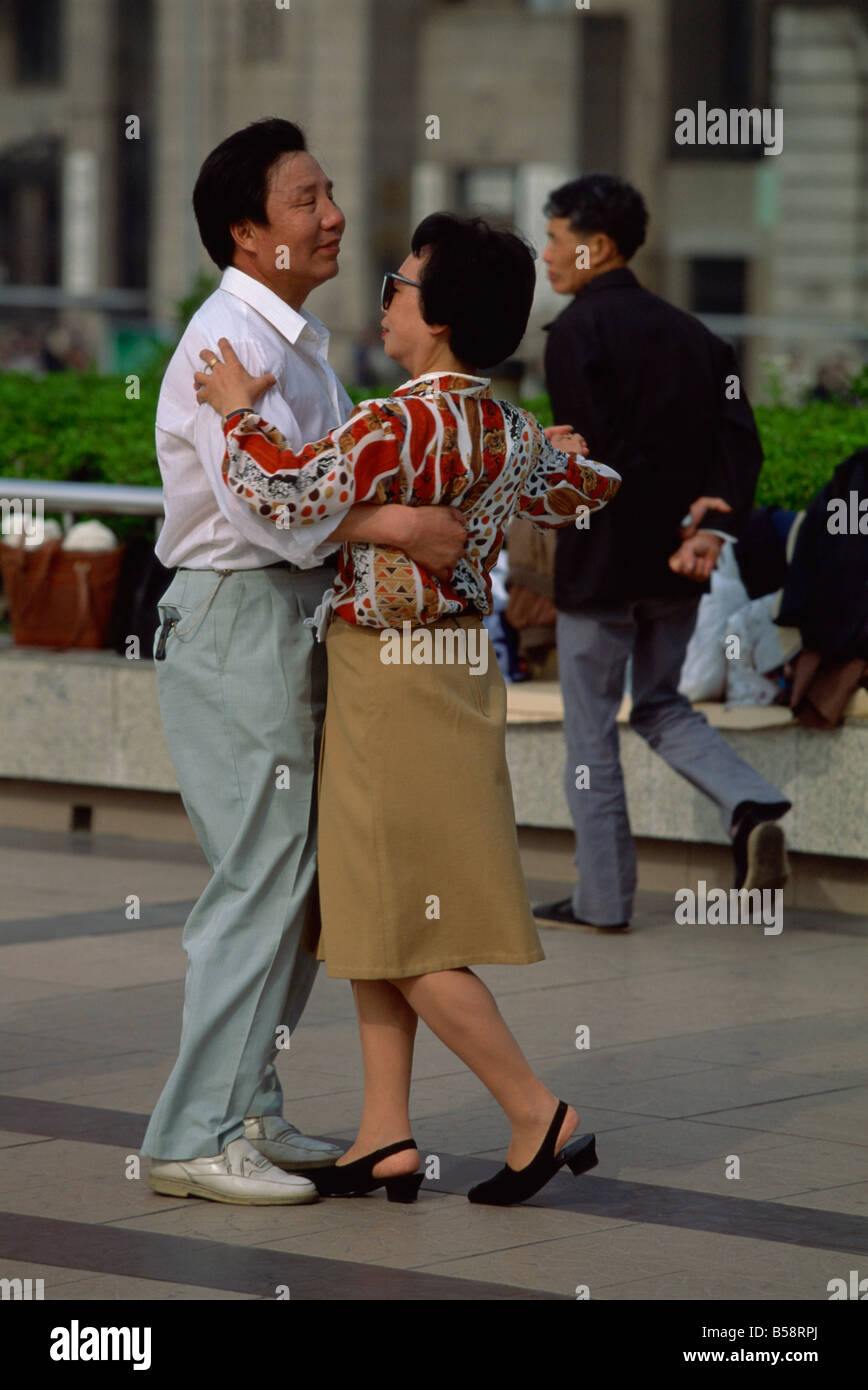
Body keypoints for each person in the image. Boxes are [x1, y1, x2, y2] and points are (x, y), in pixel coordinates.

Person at [193, 212, 620, 1206]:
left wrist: (231, 408)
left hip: (385, 676)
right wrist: (556, 451)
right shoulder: (503, 431)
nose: (384, 297)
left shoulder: (393, 424)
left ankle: (535, 1112)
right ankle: (385, 1133)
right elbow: (591, 488)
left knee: (402, 923)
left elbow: (284, 491)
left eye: (399, 282)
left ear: (437, 317)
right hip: (460, 670)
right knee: (380, 909)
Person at [143, 118, 467, 1207]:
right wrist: (399, 529)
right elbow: (276, 510)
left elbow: (327, 478)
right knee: (261, 879)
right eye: (303, 201)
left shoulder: (291, 343)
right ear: (244, 230)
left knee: (294, 883)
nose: (331, 218)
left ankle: (247, 1109)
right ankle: (194, 1132)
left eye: (327, 195)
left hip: (283, 620)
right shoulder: (224, 347)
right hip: (241, 613)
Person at [533, 173, 792, 933]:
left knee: (589, 736)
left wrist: (676, 527)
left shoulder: (576, 335)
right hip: (682, 571)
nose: (546, 255)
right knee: (659, 704)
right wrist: (705, 530)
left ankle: (603, 900)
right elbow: (741, 444)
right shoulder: (701, 337)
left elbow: (601, 462)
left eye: (553, 238)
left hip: (605, 565)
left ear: (597, 246)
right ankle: (750, 801)